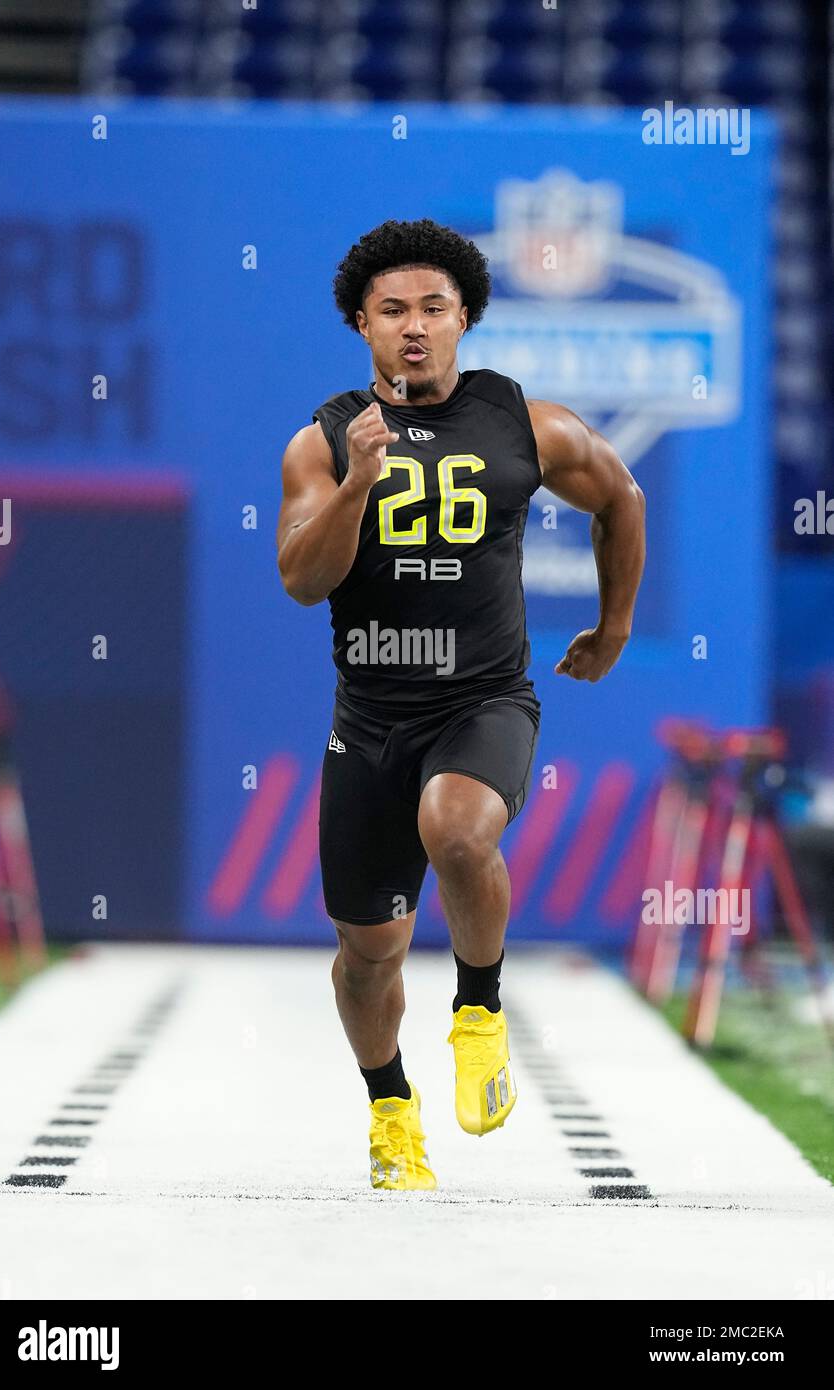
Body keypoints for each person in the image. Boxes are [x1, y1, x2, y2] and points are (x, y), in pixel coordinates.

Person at [277, 219, 645, 1190]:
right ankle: (392, 1111)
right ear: (360, 322)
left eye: (432, 308)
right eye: (391, 309)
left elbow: (619, 496)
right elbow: (300, 580)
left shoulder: (525, 422)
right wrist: (358, 480)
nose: (413, 327)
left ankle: (477, 1009)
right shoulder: (320, 438)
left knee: (458, 829)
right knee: (367, 955)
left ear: (464, 319)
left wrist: (611, 630)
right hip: (368, 719)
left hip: (482, 698)